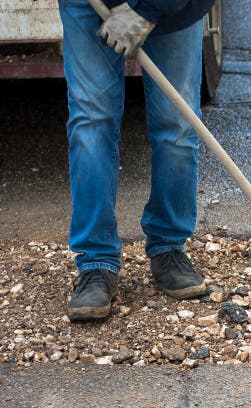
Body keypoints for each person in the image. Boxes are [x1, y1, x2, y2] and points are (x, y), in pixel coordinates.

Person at [58, 0, 215, 321]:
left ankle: (168, 246)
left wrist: (148, 9)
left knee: (177, 124)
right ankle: (96, 261)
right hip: (88, 4)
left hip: (173, 8)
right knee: (91, 123)